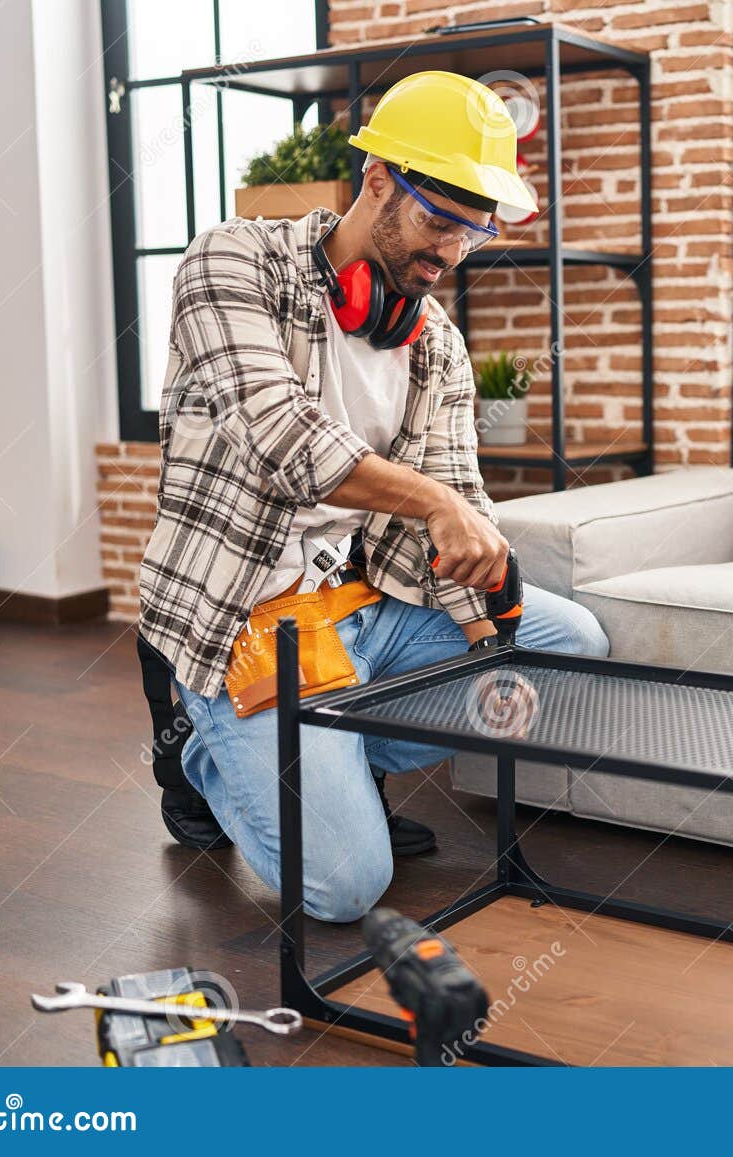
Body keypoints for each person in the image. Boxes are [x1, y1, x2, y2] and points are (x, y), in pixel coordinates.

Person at [135, 71, 608, 922]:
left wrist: (489, 639)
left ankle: (330, 756)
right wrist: (432, 502)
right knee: (347, 887)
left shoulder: (437, 347)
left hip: (366, 611)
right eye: (440, 221)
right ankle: (208, 752)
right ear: (378, 178)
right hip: (244, 621)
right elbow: (282, 439)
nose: (455, 253)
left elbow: (459, 499)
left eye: (477, 231)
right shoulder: (233, 262)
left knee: (564, 645)